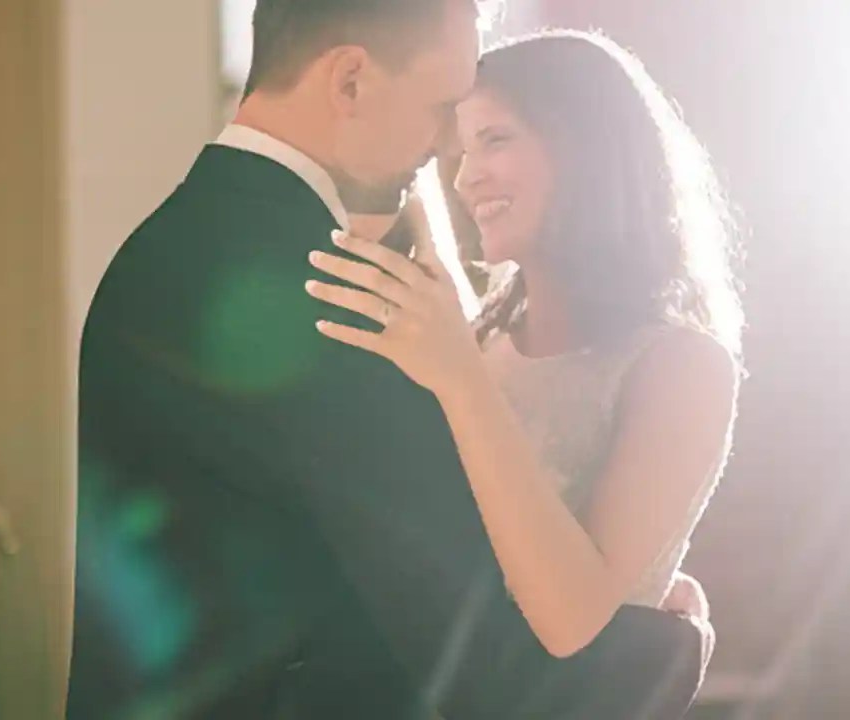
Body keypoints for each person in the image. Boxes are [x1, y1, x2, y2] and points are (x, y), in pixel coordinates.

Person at [68, 1, 706, 716]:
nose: (447, 152)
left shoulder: (156, 249)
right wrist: (672, 646)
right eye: (441, 109)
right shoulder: (343, 299)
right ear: (350, 81)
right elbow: (471, 666)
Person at [306, 27, 740, 709]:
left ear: (586, 148)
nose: (465, 175)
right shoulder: (477, 340)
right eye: (462, 149)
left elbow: (572, 621)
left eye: (495, 140)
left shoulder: (681, 367)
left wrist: (460, 378)